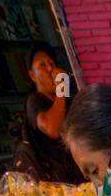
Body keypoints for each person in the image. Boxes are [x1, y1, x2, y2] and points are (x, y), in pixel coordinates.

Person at [12, 43, 81, 183]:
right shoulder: (35, 101)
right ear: (32, 75)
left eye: (51, 63)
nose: (50, 68)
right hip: (63, 183)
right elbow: (53, 129)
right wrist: (62, 88)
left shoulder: (64, 99)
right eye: (42, 65)